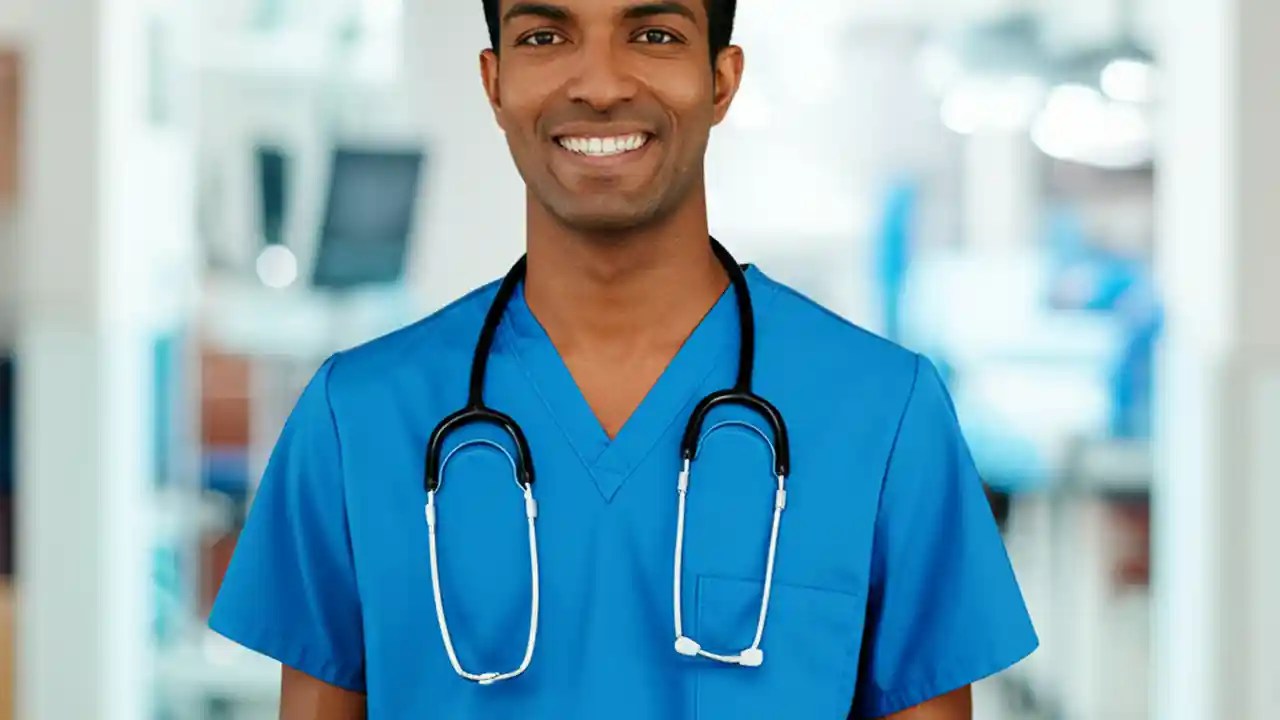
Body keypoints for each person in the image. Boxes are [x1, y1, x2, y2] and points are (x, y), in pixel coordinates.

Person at [208, 1, 1039, 718]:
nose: (600, 84)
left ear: (721, 79)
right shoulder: (357, 419)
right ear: (493, 82)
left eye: (653, 34)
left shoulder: (883, 416)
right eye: (544, 36)